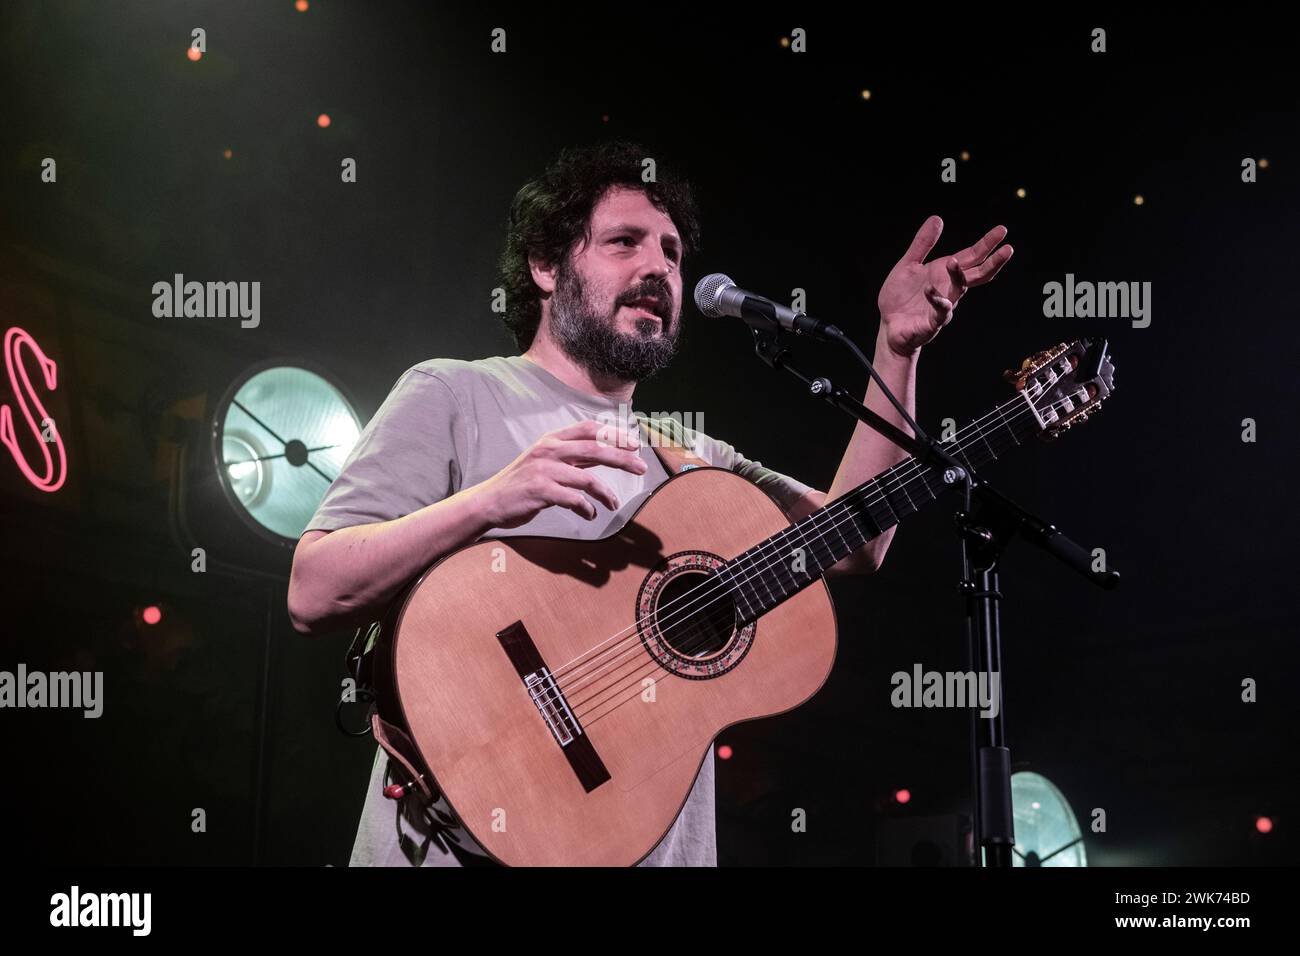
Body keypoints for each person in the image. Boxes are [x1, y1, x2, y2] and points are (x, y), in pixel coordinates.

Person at [287, 140, 1012, 867]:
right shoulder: (455, 393)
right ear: (545, 267)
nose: (658, 268)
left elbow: (854, 539)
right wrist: (490, 501)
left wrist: (895, 350)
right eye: (623, 242)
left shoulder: (695, 458)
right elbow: (314, 593)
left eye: (671, 252)